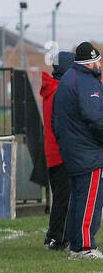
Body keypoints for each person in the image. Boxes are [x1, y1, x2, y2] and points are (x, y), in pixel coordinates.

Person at [50, 41, 103, 260]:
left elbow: (56, 121)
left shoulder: (67, 80)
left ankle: (75, 243)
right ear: (91, 62)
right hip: (88, 152)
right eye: (99, 60)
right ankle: (85, 247)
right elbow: (96, 118)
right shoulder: (86, 82)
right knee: (90, 199)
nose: (100, 65)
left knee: (77, 199)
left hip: (72, 150)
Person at [41, 50, 75, 250]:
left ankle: (56, 236)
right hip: (61, 152)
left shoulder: (51, 88)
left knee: (61, 197)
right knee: (63, 198)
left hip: (53, 153)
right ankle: (56, 237)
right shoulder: (58, 91)